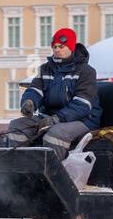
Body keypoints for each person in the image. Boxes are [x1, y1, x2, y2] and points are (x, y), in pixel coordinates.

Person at [8, 27, 100, 160]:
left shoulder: (86, 71)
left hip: (83, 119)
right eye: (54, 46)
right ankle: (25, 168)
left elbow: (83, 104)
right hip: (49, 117)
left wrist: (58, 118)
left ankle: (53, 176)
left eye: (61, 46)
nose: (57, 50)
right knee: (16, 127)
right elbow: (35, 90)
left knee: (55, 134)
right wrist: (29, 102)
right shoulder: (45, 69)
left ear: (71, 47)